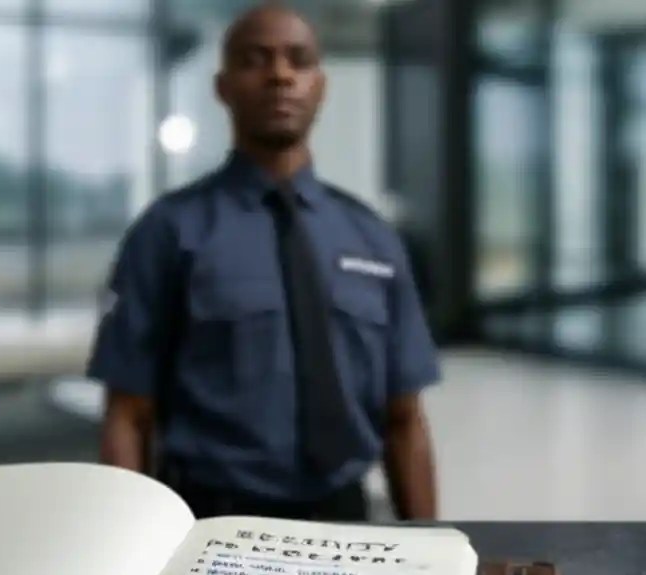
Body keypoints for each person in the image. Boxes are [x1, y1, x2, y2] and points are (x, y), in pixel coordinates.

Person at [86, 3, 441, 522]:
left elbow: (405, 420)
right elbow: (127, 415)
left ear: (320, 84)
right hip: (209, 521)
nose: (280, 75)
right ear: (223, 86)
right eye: (256, 59)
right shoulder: (168, 232)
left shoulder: (374, 239)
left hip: (345, 519)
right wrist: (126, 550)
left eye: (298, 61)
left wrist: (433, 547)